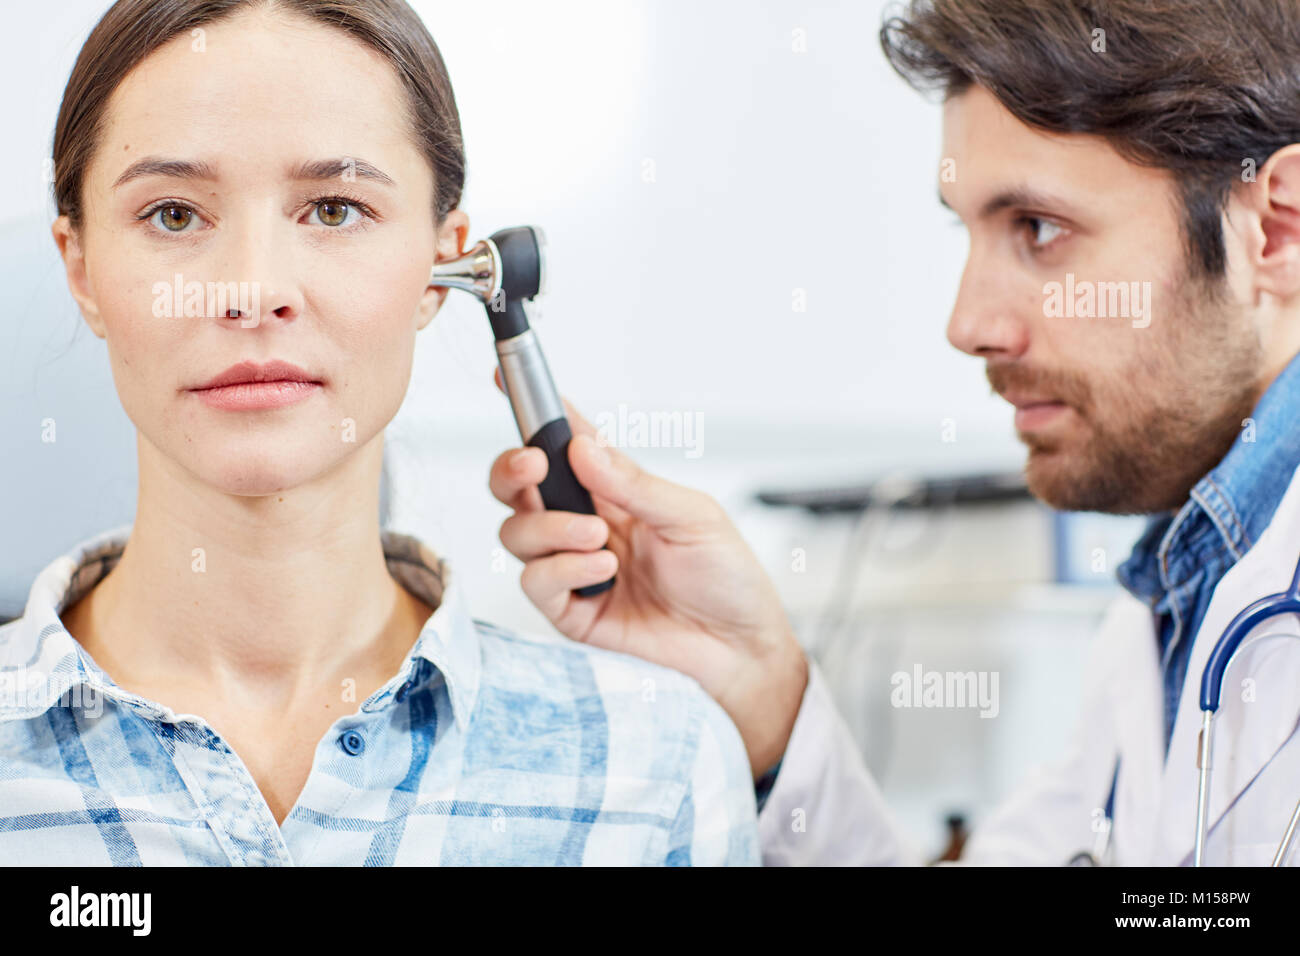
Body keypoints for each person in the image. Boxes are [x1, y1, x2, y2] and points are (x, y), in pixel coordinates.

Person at [487, 0, 1300, 866]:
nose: (968, 322)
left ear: (1275, 229)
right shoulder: (1177, 594)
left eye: (1039, 229)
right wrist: (764, 687)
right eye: (971, 228)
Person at [0, 0, 759, 866]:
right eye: (174, 214)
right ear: (82, 269)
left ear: (446, 267)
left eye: (332, 210)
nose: (253, 291)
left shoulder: (654, 767)